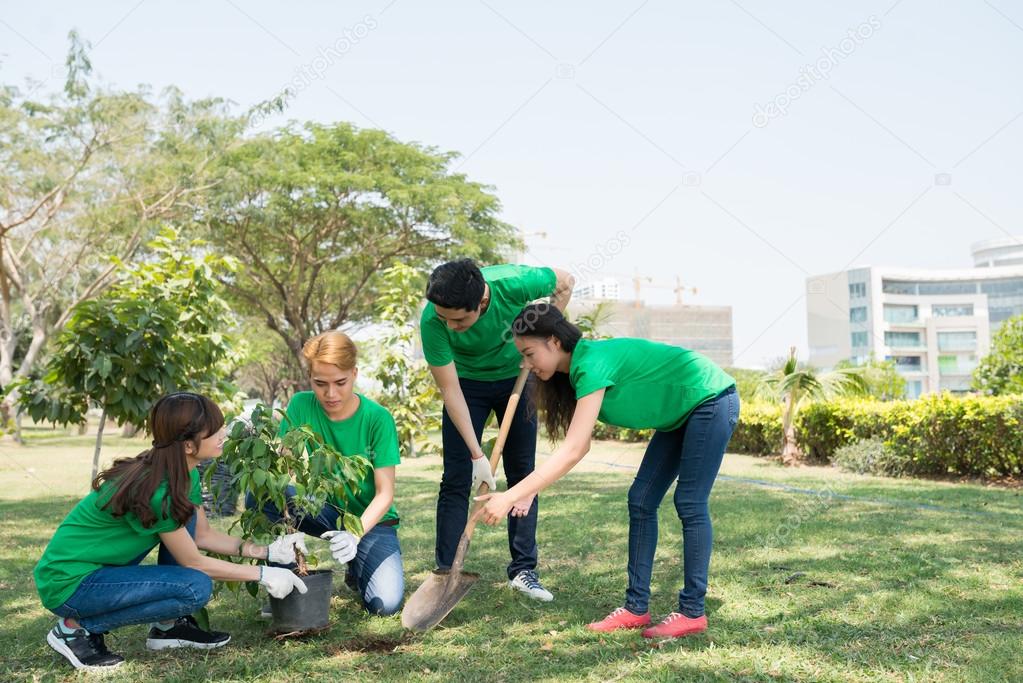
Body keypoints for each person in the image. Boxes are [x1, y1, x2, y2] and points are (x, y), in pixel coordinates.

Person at [477, 304, 739, 639]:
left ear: (554, 342)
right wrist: (527, 490)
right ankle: (635, 608)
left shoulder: (591, 363)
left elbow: (573, 450)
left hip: (710, 398)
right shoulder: (572, 376)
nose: (526, 365)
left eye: (529, 353)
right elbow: (579, 445)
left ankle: (692, 612)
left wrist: (510, 495)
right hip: (680, 414)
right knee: (641, 499)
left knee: (689, 502)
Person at [34, 392, 308, 671]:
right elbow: (193, 561)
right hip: (70, 583)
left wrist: (267, 551)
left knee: (187, 525)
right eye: (214, 430)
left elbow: (202, 536)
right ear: (188, 445)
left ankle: (168, 628)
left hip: (100, 573)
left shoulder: (184, 473)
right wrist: (262, 573)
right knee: (195, 587)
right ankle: (74, 629)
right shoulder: (158, 490)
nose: (223, 433)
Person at [421, 259, 574, 601]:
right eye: (444, 318)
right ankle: (447, 572)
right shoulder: (433, 319)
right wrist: (478, 455)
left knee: (522, 475)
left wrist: (539, 344)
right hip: (466, 386)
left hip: (516, 378)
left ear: (481, 302)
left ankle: (523, 570)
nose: (450, 325)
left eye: (459, 319)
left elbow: (565, 281)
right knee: (457, 478)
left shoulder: (514, 283)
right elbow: (450, 390)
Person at [248, 331, 405, 616]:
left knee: (386, 605)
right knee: (264, 494)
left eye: (340, 383)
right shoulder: (300, 405)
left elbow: (385, 494)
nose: (330, 394)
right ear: (309, 378)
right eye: (320, 384)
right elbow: (284, 470)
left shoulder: (377, 418)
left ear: (354, 373)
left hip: (371, 521)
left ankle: (356, 565)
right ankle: (288, 581)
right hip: (326, 511)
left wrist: (354, 535)